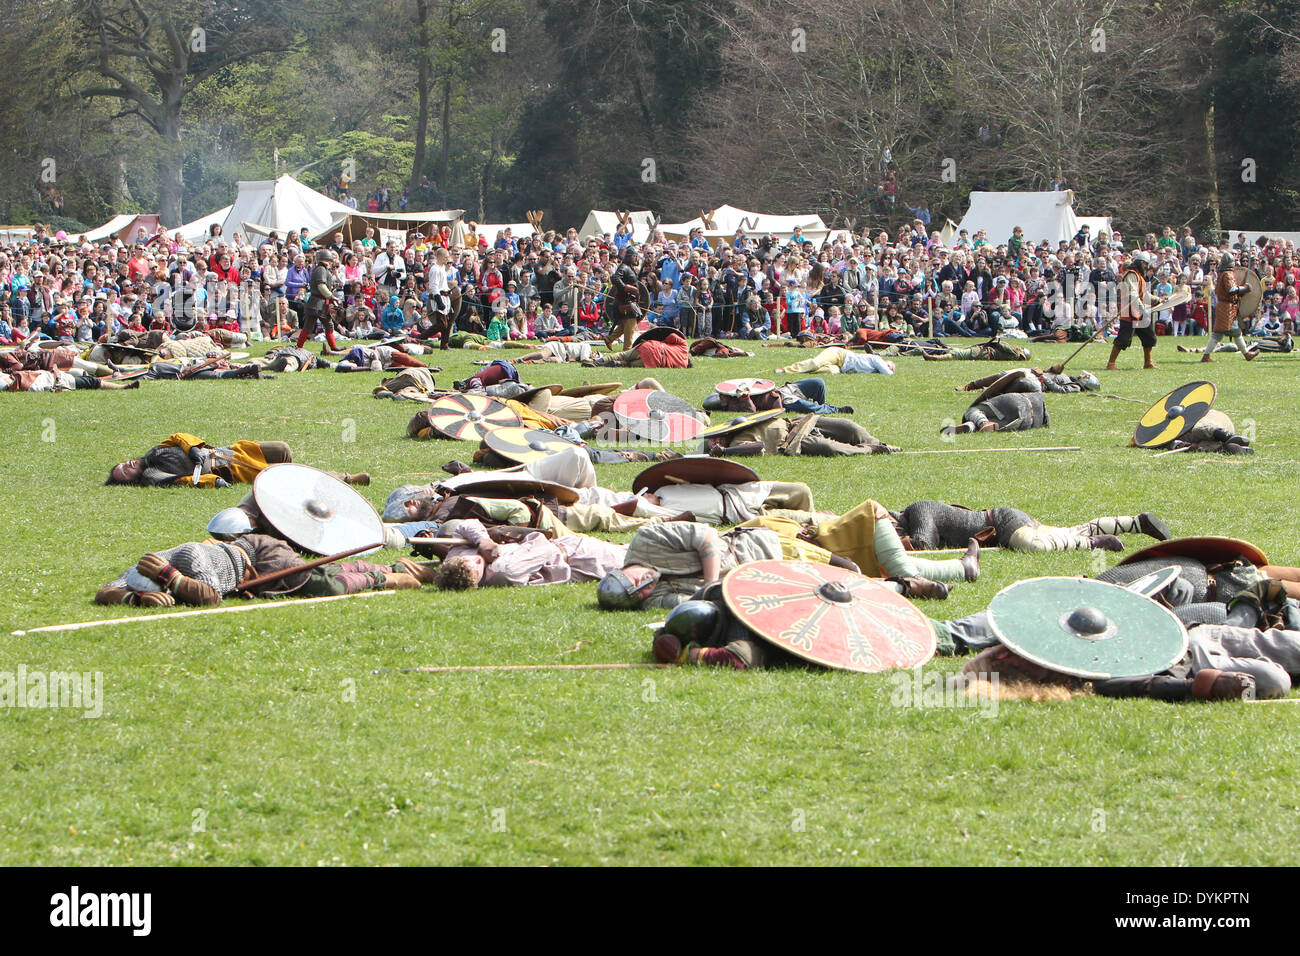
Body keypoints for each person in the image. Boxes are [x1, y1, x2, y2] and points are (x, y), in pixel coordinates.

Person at [95, 534, 436, 608]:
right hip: (251, 578)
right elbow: (104, 591)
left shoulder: (187, 559)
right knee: (319, 573)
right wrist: (133, 599)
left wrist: (173, 578)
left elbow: (210, 598)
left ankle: (385, 577)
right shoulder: (140, 573)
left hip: (256, 555)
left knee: (321, 586)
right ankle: (392, 566)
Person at [889, 500, 1172, 553]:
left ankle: (1095, 544)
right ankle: (1134, 523)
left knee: (1034, 546)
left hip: (1000, 523)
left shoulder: (918, 509)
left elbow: (923, 544)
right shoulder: (913, 518)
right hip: (1004, 526)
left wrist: (889, 547)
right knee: (1069, 531)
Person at [105, 433, 369, 488]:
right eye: (124, 473)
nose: (127, 466)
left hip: (230, 450)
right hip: (229, 468)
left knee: (282, 449)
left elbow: (178, 437)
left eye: (123, 464)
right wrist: (213, 482)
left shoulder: (153, 452)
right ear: (132, 481)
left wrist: (193, 447)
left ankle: (299, 482)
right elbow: (186, 480)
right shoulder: (152, 477)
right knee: (291, 473)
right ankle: (344, 479)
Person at [432, 519, 627, 589]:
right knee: (638, 559)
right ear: (475, 580)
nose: (474, 559)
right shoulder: (504, 571)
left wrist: (483, 541)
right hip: (580, 561)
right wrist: (521, 540)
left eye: (468, 558)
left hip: (569, 544)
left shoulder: (456, 556)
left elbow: (466, 525)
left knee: (628, 547)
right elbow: (543, 548)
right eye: (475, 567)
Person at [705, 413, 901, 457]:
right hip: (793, 442)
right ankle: (874, 449)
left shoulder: (745, 420)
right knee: (829, 448)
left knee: (848, 427)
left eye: (716, 437)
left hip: (799, 423)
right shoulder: (738, 444)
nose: (717, 440)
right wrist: (724, 451)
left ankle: (877, 442)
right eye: (713, 442)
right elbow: (758, 448)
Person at [1106, 250, 1158, 370]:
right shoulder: (1132, 274)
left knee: (1149, 337)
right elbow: (1133, 295)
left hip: (1139, 313)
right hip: (1129, 312)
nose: (1146, 267)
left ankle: (1148, 363)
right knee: (1123, 340)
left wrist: (1158, 300)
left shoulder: (1140, 277)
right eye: (1145, 264)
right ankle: (1111, 364)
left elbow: (1144, 296)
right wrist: (1142, 309)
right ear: (1140, 263)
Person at [1203, 252, 1260, 362]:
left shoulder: (1223, 273)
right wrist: (1245, 288)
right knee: (1226, 332)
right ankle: (1206, 356)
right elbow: (1231, 290)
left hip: (1226, 306)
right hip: (1226, 307)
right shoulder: (1227, 274)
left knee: (1231, 332)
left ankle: (1246, 354)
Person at [295, 249, 343, 355]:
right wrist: (331, 296)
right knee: (308, 326)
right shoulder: (321, 269)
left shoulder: (323, 269)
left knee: (329, 325)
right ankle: (298, 348)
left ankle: (334, 347)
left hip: (322, 303)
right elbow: (321, 285)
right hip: (316, 303)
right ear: (327, 260)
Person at [941, 390, 1048, 434]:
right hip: (1026, 421)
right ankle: (971, 426)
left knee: (972, 410)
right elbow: (1046, 422)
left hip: (1014, 401)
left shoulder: (1029, 377)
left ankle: (983, 422)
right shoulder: (1041, 400)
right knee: (995, 423)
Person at [604, 251, 643, 351]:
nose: (636, 259)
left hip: (629, 301)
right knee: (631, 324)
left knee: (627, 324)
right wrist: (626, 288)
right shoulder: (623, 267)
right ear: (629, 257)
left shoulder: (629, 268)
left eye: (636, 257)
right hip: (624, 302)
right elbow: (615, 278)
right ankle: (627, 349)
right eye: (634, 256)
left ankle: (609, 338)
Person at [774, 346, 895, 376]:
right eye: (890, 365)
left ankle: (805, 371)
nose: (889, 367)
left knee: (830, 372)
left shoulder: (873, 372)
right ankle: (785, 369)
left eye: (891, 368)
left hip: (840, 367)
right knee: (816, 363)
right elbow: (888, 373)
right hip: (839, 354)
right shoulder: (877, 359)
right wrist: (888, 369)